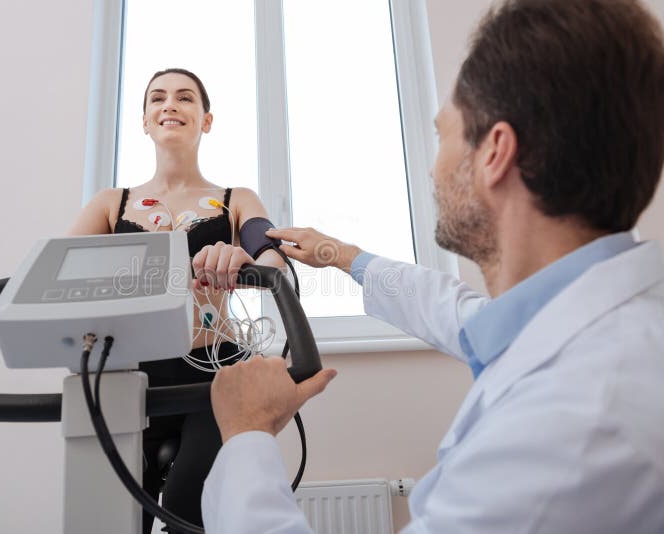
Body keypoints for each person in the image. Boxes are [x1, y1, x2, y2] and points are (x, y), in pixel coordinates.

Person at [195, 0, 664, 532]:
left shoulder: (576, 418)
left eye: (442, 136)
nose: (432, 167)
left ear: (495, 153)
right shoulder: (590, 322)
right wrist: (342, 255)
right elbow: (457, 314)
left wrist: (248, 435)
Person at [69, 68, 285, 533]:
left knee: (191, 510)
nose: (170, 104)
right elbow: (62, 277)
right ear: (145, 121)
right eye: (158, 98)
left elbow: (275, 261)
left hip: (214, 372)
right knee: (116, 518)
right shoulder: (110, 204)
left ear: (206, 120)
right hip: (128, 375)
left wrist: (244, 257)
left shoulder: (236, 199)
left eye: (185, 97)